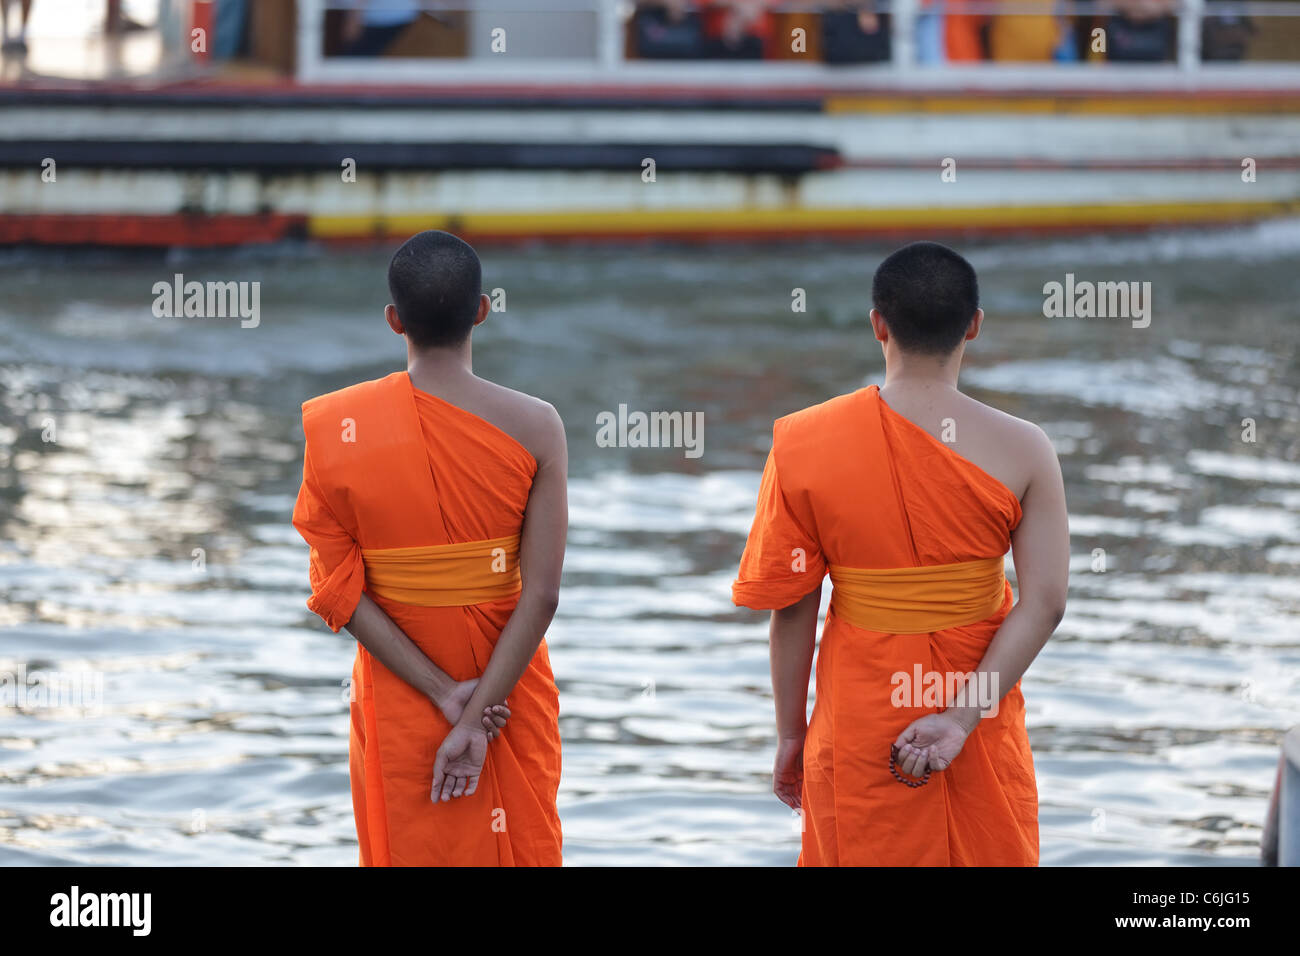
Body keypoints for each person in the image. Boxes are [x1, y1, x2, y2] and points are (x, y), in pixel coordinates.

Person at [732, 242, 1068, 866]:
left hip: (861, 706)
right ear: (974, 324)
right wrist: (960, 720)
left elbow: (792, 607)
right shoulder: (1026, 448)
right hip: (978, 699)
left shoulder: (807, 441)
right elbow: (1045, 603)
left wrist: (789, 734)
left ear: (877, 325)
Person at [293, 231, 567, 866]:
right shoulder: (537, 424)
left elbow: (338, 590)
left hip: (400, 689)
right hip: (506, 687)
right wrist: (476, 717)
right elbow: (544, 593)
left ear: (394, 321)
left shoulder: (339, 429)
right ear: (481, 310)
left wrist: (445, 695)